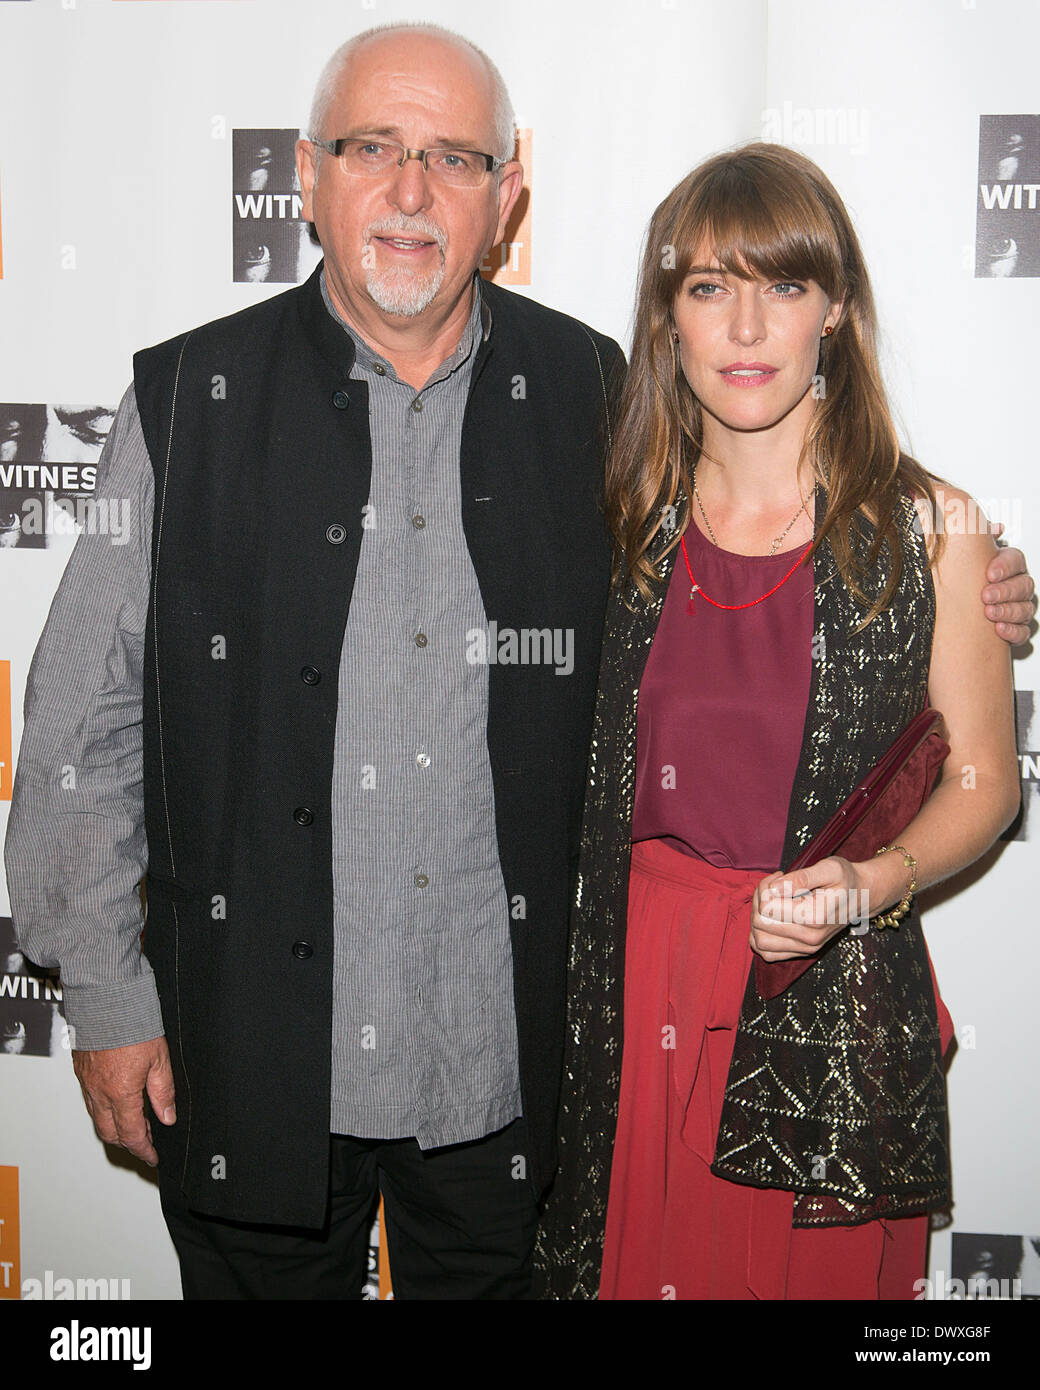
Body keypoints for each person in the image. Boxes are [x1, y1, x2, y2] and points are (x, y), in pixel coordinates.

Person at [3, 31, 1033, 1302]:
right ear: (308, 176)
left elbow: (773, 555)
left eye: (454, 158)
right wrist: (104, 995)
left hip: (517, 1076)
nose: (409, 191)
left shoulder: (592, 396)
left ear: (507, 195)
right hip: (248, 1060)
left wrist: (970, 581)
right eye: (370, 149)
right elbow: (75, 732)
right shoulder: (187, 400)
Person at [534, 143, 1025, 1301]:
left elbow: (983, 783)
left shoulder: (932, 531)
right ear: (666, 319)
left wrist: (867, 881)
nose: (745, 327)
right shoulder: (613, 522)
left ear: (835, 311)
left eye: (783, 285)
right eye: (708, 287)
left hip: (822, 989)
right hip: (628, 986)